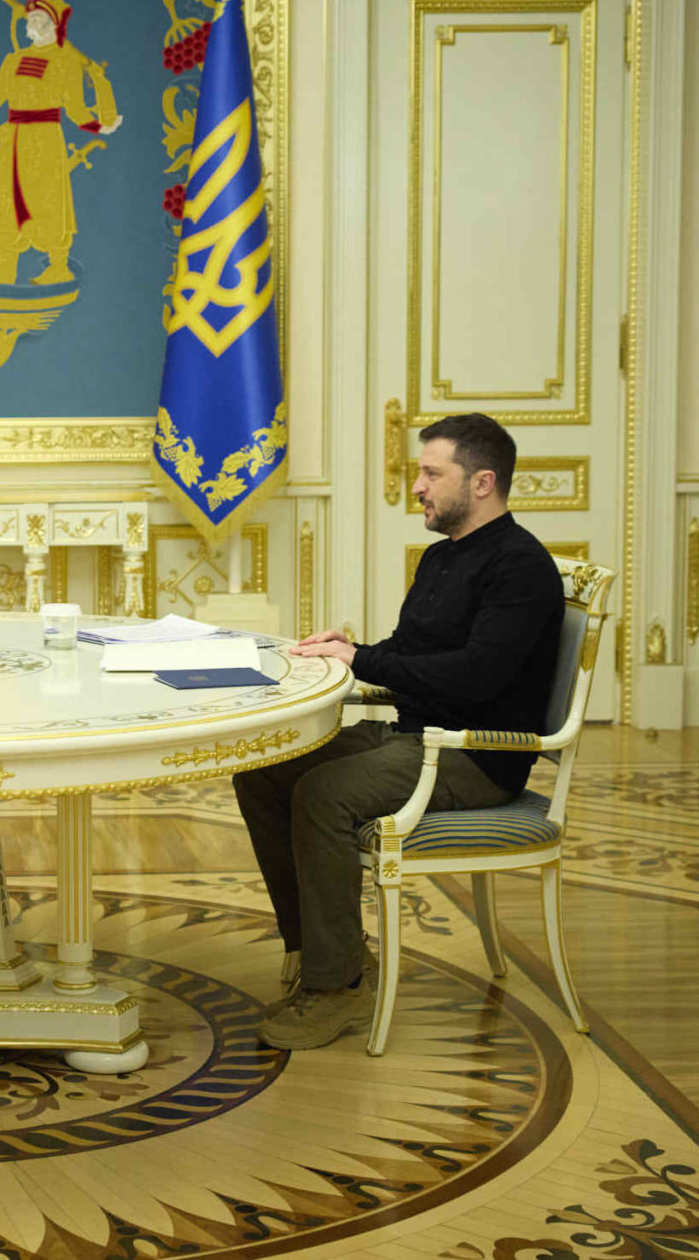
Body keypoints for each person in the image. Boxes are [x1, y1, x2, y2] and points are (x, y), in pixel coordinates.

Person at [233, 413, 563, 1050]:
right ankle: (322, 952)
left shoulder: (520, 567)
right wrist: (347, 650)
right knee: (265, 768)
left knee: (324, 794)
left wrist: (363, 659)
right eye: (420, 473)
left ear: (483, 482)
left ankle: (337, 990)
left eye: (432, 474)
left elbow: (474, 678)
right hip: (417, 737)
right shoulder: (441, 558)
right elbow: (412, 653)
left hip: (475, 756)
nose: (417, 487)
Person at [0, 0, 120, 285]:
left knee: (47, 201)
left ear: (54, 24)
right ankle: (6, 268)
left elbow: (76, 111)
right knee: (8, 200)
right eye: (30, 18)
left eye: (38, 18)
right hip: (15, 138)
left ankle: (58, 267)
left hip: (46, 138)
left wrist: (100, 126)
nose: (31, 22)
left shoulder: (67, 62)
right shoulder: (14, 59)